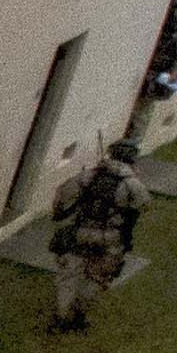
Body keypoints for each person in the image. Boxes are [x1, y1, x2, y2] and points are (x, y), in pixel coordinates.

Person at [48, 139, 146, 332]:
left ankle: (61, 317)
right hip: (110, 239)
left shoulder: (88, 176)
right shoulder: (133, 184)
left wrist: (61, 213)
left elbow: (62, 197)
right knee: (97, 277)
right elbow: (143, 204)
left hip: (80, 233)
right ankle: (79, 315)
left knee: (68, 276)